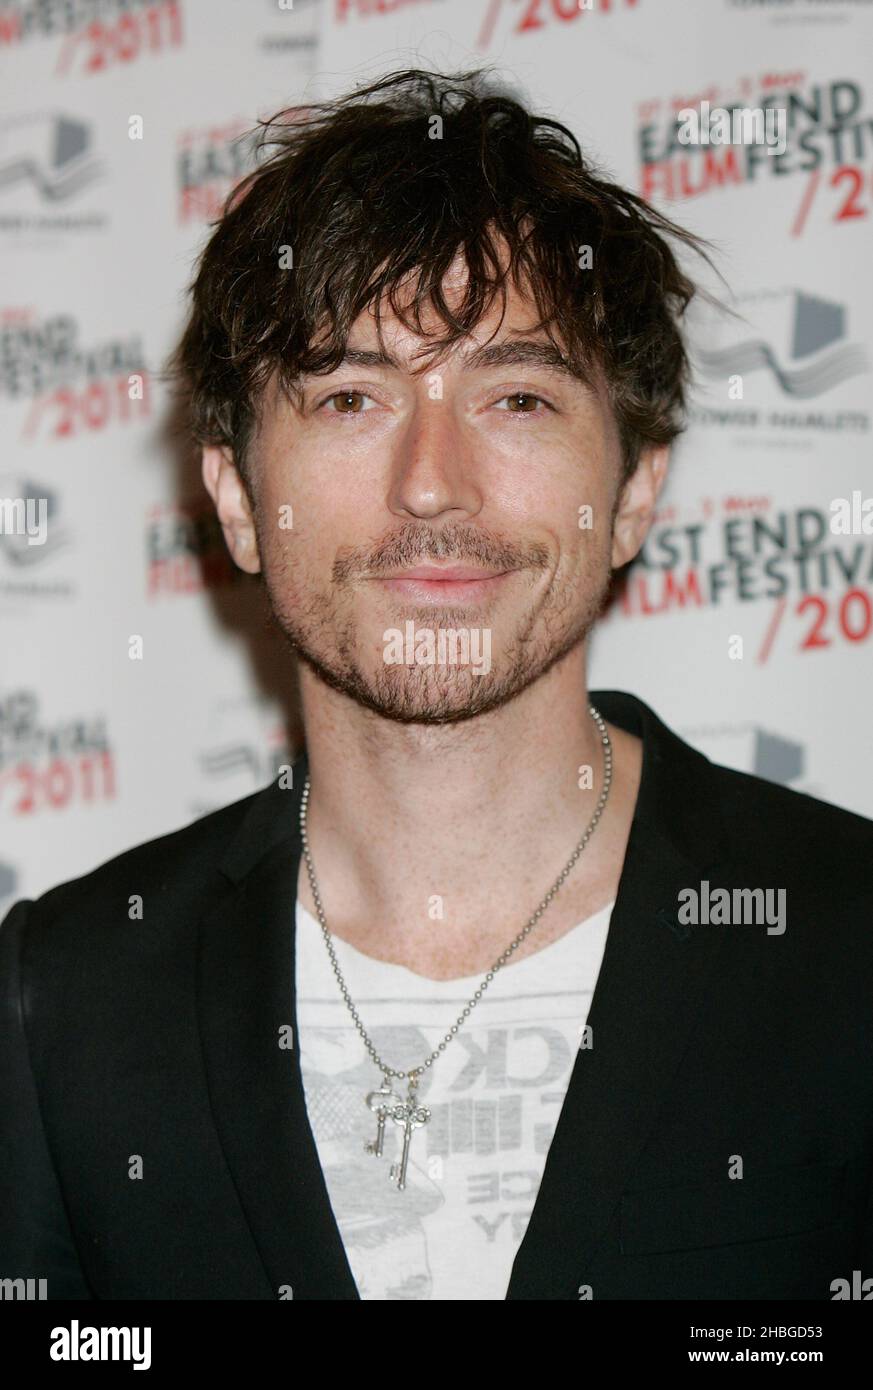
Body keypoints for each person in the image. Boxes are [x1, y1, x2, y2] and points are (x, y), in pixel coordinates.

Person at [2, 69, 871, 1302]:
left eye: (516, 395)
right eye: (351, 398)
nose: (431, 483)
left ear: (634, 491)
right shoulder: (68, 998)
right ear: (239, 499)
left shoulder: (846, 941)